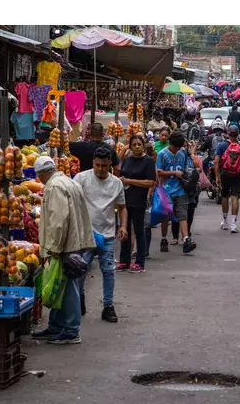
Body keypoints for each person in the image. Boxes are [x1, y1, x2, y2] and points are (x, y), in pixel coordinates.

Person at [31, 156, 96, 344]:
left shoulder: (55, 187)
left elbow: (58, 222)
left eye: (39, 176)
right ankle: (56, 326)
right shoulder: (68, 181)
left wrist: (54, 249)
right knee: (59, 286)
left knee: (68, 288)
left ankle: (71, 330)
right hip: (74, 243)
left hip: (66, 246)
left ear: (42, 174)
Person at [74, 147, 128, 323]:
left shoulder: (116, 183)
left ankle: (108, 306)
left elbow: (122, 207)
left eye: (104, 166)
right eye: (97, 165)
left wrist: (123, 226)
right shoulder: (81, 179)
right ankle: (79, 300)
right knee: (81, 271)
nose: (100, 169)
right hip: (85, 235)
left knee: (109, 271)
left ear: (110, 165)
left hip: (107, 235)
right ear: (93, 163)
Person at [117, 134, 157, 273]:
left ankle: (140, 261)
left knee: (139, 231)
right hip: (125, 200)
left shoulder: (148, 162)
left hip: (139, 201)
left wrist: (129, 181)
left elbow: (151, 182)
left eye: (139, 144)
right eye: (133, 145)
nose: (136, 147)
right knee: (124, 229)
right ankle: (124, 261)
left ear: (143, 145)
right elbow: (121, 174)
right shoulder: (127, 160)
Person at [156, 130, 198, 254]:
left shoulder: (183, 153)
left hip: (180, 189)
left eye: (179, 147)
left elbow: (186, 167)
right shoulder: (162, 154)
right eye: (175, 147)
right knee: (165, 217)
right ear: (170, 143)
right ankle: (164, 238)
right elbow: (159, 172)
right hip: (166, 190)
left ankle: (186, 239)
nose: (177, 150)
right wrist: (173, 173)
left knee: (182, 215)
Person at [214, 124, 240, 233]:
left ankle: (225, 221)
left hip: (225, 174)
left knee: (225, 197)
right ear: (238, 134)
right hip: (237, 175)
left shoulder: (222, 145)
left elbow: (216, 161)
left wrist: (217, 176)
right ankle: (234, 224)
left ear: (228, 133)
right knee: (235, 198)